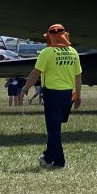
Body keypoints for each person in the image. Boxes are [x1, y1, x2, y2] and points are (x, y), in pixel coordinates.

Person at [21, 23, 82, 170]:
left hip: (53, 94)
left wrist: (25, 88)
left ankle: (59, 162)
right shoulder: (73, 52)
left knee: (54, 130)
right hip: (68, 94)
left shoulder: (47, 52)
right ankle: (48, 156)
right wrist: (78, 95)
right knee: (55, 128)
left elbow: (36, 72)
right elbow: (78, 75)